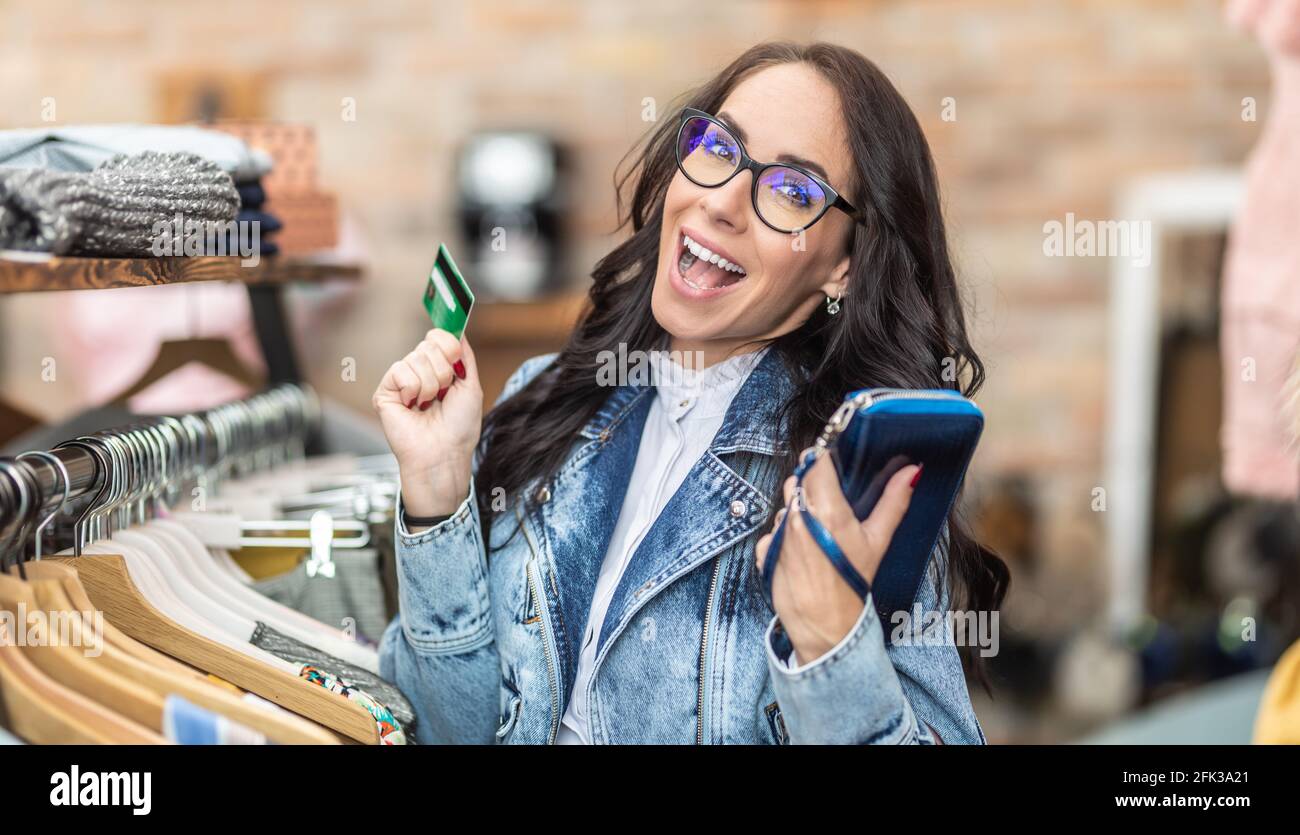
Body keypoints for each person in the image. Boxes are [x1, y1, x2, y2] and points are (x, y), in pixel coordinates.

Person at [374, 41, 1008, 744]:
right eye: (717, 146)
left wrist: (830, 645)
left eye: (792, 192)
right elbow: (442, 729)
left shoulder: (851, 487)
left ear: (845, 269)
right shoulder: (545, 399)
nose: (722, 201)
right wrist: (436, 496)